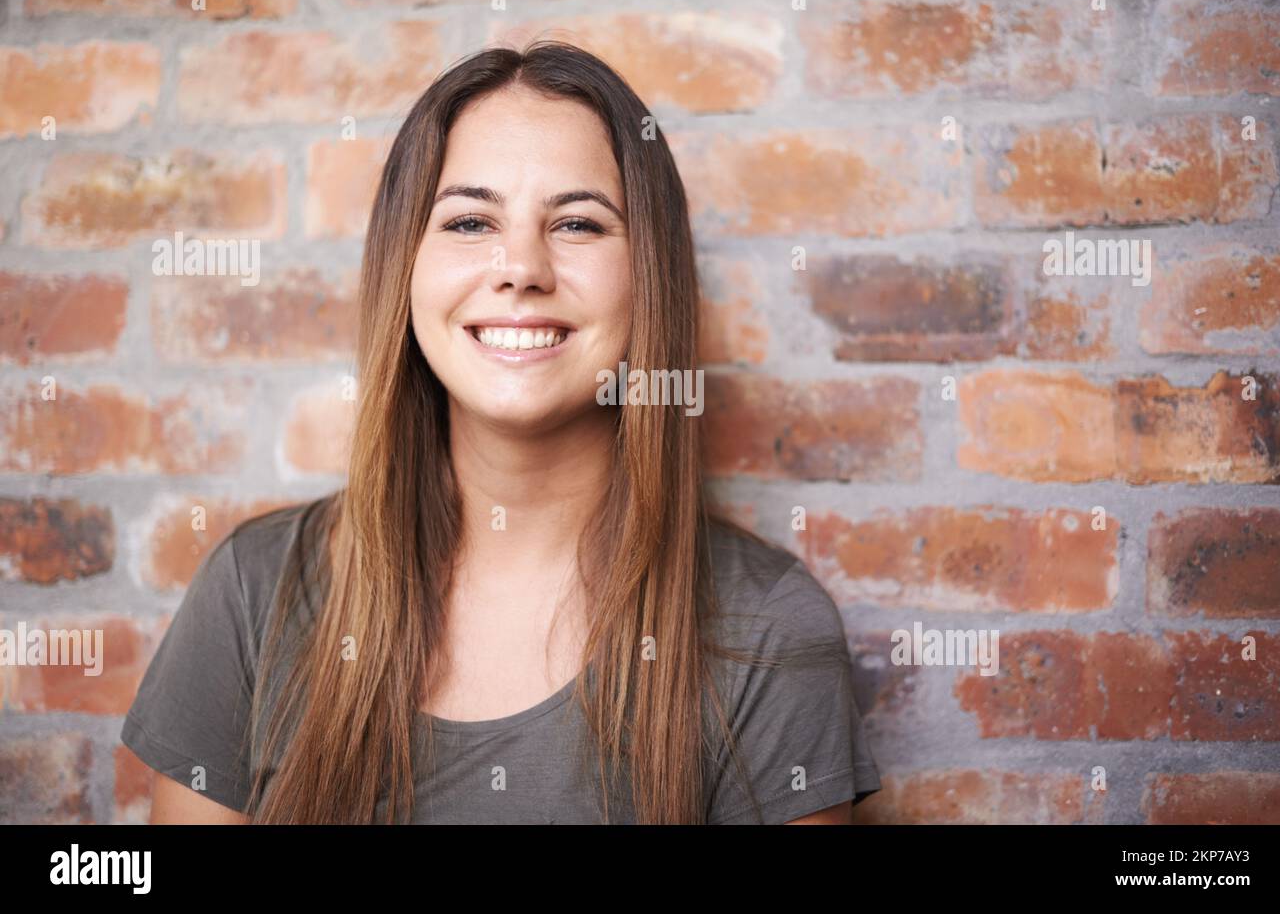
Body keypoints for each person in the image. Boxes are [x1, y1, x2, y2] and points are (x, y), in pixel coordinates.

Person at [121, 40, 881, 824]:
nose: (521, 266)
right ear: (405, 266)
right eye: (471, 220)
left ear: (649, 273)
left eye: (579, 223)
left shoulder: (770, 633)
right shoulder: (253, 591)